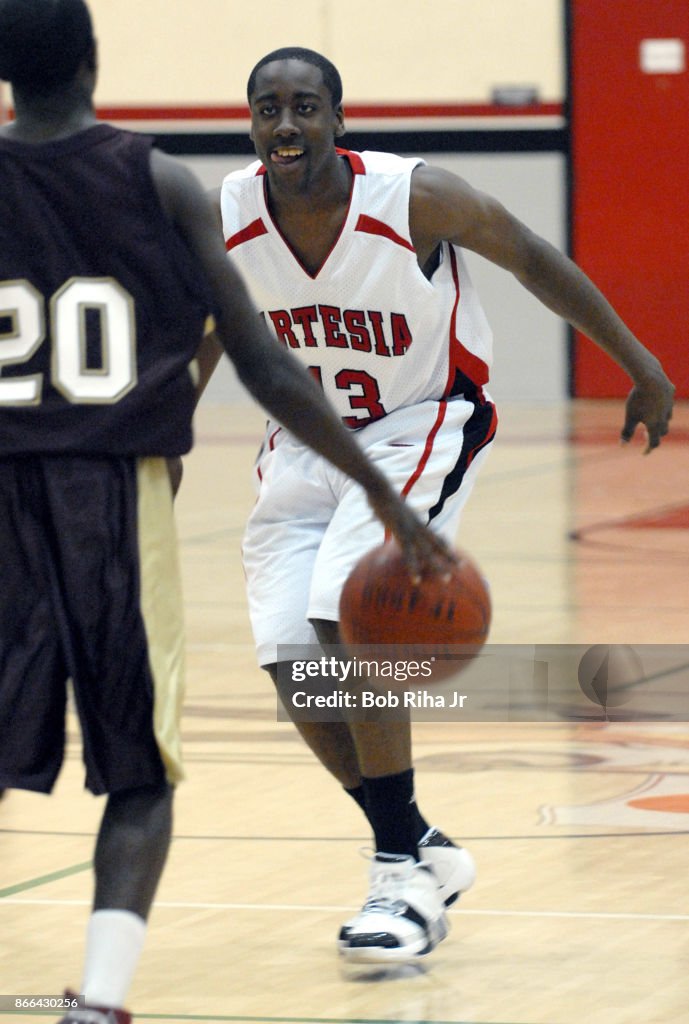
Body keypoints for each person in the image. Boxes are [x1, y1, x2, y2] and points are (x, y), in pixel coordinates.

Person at [0, 7, 453, 1024]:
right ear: (91, 60)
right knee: (137, 771)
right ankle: (97, 1002)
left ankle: (404, 847)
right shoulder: (155, 182)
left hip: (6, 492)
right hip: (112, 497)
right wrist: (378, 490)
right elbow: (257, 361)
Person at [213, 46, 675, 966]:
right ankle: (421, 844)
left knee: (348, 618)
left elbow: (533, 258)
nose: (286, 126)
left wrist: (641, 364)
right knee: (291, 668)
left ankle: (396, 879)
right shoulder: (230, 209)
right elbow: (204, 319)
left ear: (339, 121)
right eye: (268, 109)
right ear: (252, 122)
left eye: (305, 107)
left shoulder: (413, 197)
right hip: (307, 442)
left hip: (423, 419)